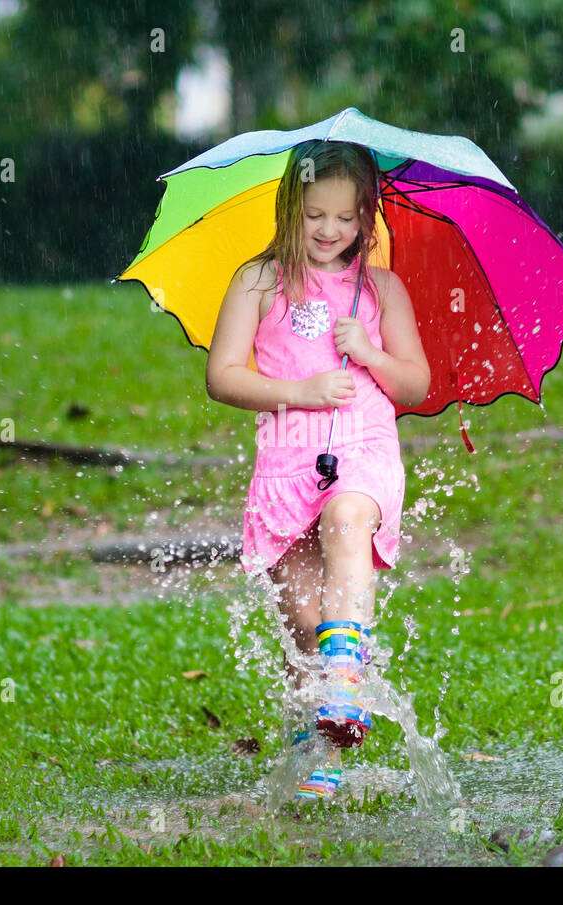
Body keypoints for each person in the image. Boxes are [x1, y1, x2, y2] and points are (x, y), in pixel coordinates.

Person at [205, 140, 430, 801]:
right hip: (287, 455)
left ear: (367, 217)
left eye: (347, 217)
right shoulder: (256, 280)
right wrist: (298, 392)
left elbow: (414, 385)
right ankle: (318, 747)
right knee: (303, 620)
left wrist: (371, 353)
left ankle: (345, 675)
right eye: (314, 216)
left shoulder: (382, 289)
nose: (331, 230)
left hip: (362, 445)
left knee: (347, 515)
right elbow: (221, 376)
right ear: (288, 209)